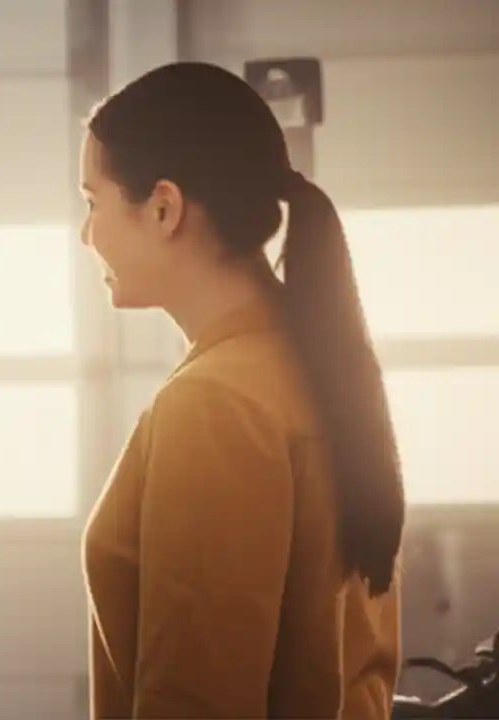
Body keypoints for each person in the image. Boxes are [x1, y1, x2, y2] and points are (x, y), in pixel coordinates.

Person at [78, 62, 405, 718]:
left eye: (92, 202)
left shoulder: (215, 403)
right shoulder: (314, 363)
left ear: (163, 208)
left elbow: (198, 699)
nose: (87, 235)